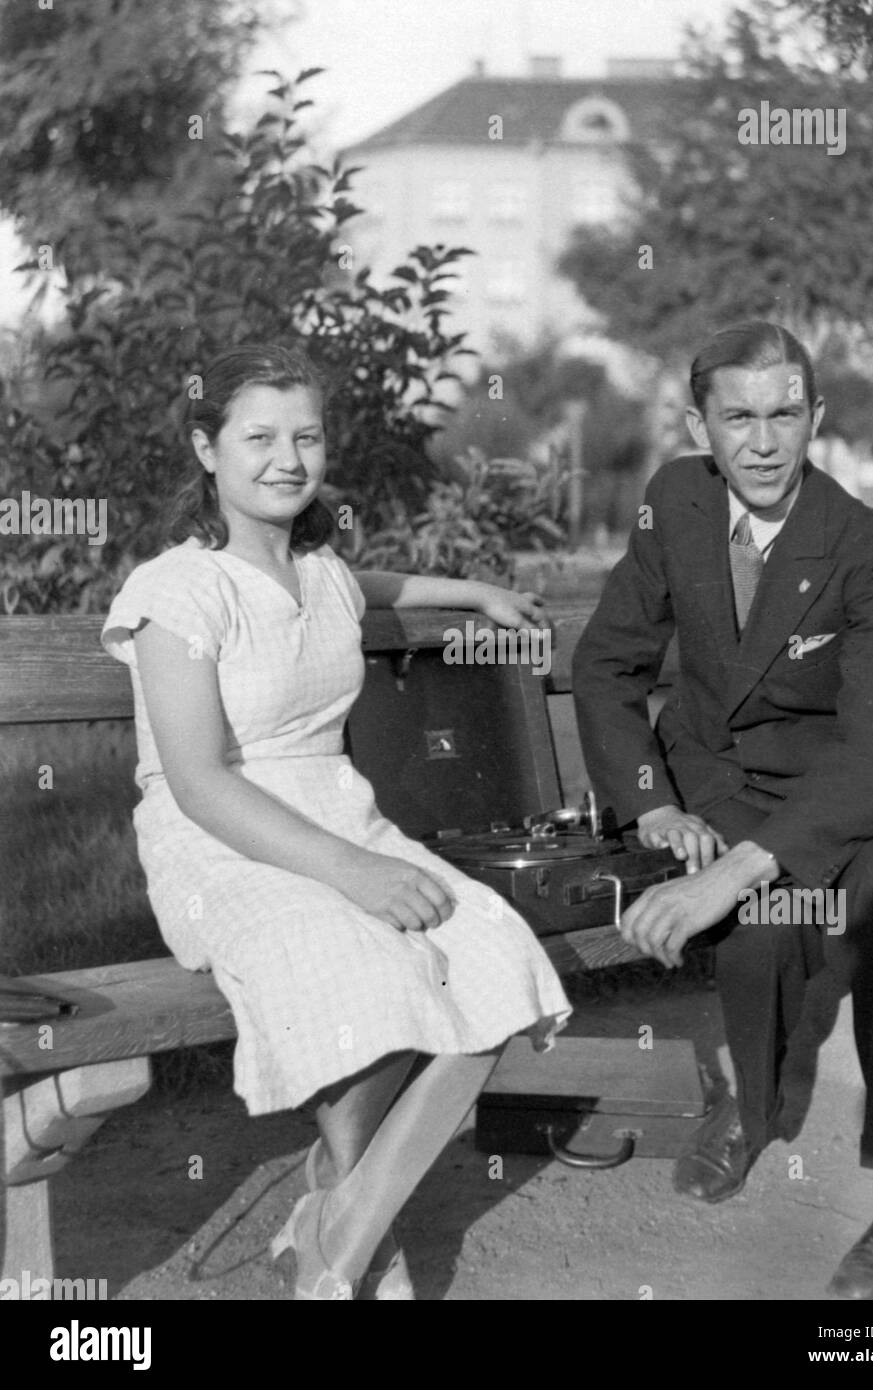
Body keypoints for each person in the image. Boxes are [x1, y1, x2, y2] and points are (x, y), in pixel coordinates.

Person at [101, 343, 571, 1301]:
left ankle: (339, 1217)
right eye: (259, 438)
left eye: (306, 437)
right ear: (206, 450)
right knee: (349, 960)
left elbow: (373, 585)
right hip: (221, 840)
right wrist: (353, 875)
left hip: (341, 815)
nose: (287, 459)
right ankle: (355, 1250)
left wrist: (471, 591)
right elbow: (199, 783)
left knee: (491, 952)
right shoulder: (177, 589)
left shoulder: (319, 570)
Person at [572, 321, 873, 1301]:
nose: (765, 441)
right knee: (758, 925)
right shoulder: (674, 501)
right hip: (721, 776)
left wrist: (741, 866)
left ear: (815, 417)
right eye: (738, 417)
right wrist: (652, 808)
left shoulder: (868, 547)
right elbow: (607, 665)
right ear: (699, 426)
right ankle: (749, 1100)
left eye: (785, 414)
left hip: (846, 785)